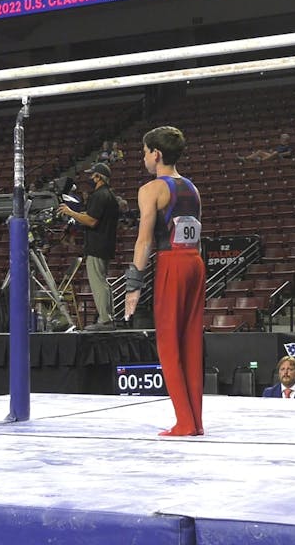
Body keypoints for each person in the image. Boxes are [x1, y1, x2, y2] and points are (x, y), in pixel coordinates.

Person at [125, 126, 206, 437]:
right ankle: (195, 421)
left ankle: (184, 422)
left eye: (145, 152)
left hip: (172, 262)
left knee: (169, 344)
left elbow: (145, 240)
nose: (143, 158)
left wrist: (134, 285)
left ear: (156, 154)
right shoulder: (192, 188)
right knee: (191, 343)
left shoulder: (152, 190)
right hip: (195, 262)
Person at [58, 162, 121, 331]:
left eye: (93, 175)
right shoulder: (110, 196)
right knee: (103, 281)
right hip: (106, 244)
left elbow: (92, 221)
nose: (91, 178)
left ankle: (105, 320)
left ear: (99, 177)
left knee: (98, 282)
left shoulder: (99, 196)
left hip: (97, 245)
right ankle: (109, 317)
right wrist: (79, 215)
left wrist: (71, 213)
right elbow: (92, 215)